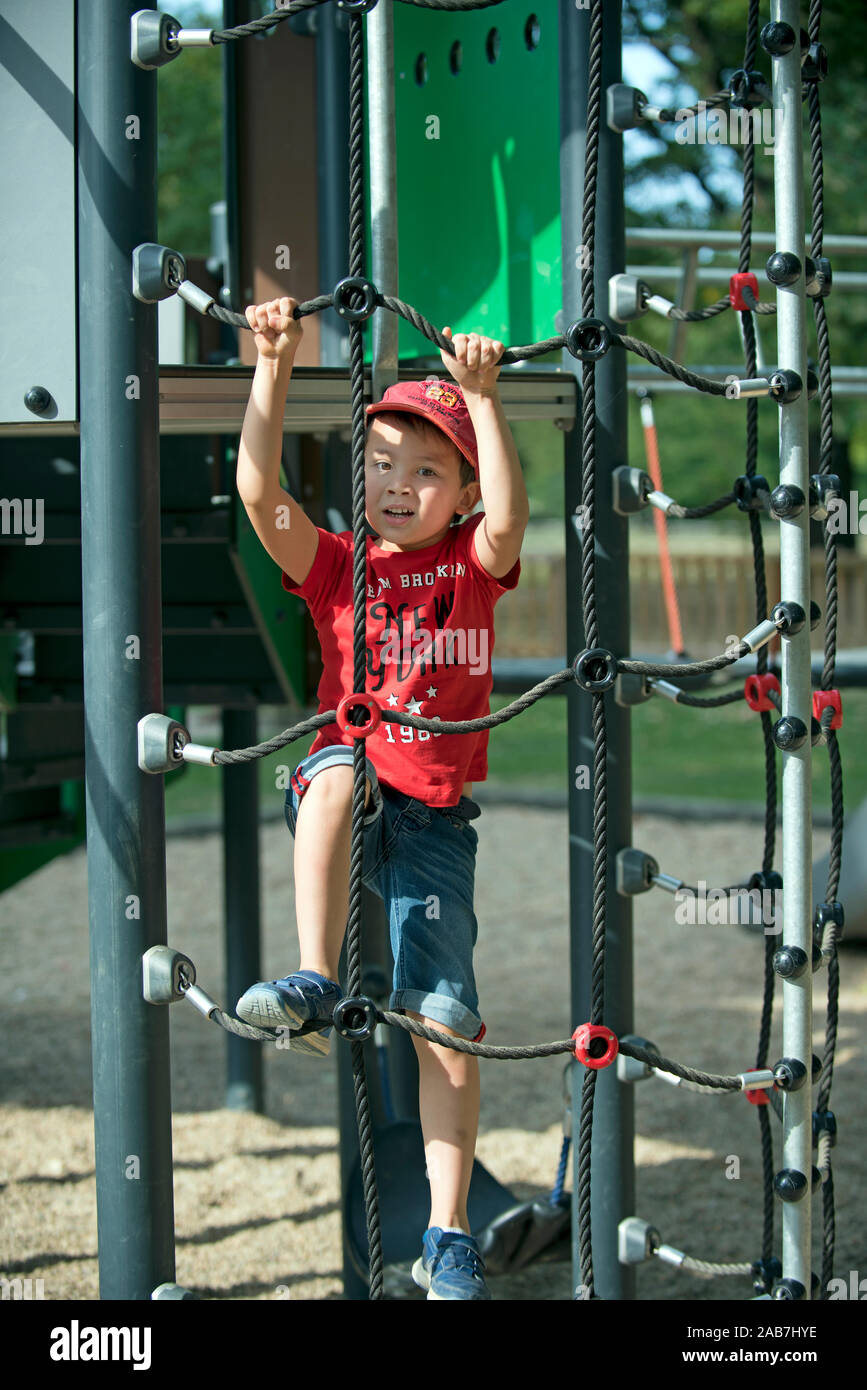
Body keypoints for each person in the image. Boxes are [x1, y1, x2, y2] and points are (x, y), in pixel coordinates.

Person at [234, 296, 528, 1299]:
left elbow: (513, 518)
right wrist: (272, 366)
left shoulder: (472, 568)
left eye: (427, 472)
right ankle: (315, 975)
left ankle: (447, 1232)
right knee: (336, 766)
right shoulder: (335, 567)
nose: (398, 487)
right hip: (347, 787)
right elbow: (256, 489)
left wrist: (484, 400)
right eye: (383, 464)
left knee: (445, 1026)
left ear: (463, 491)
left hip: (437, 823)